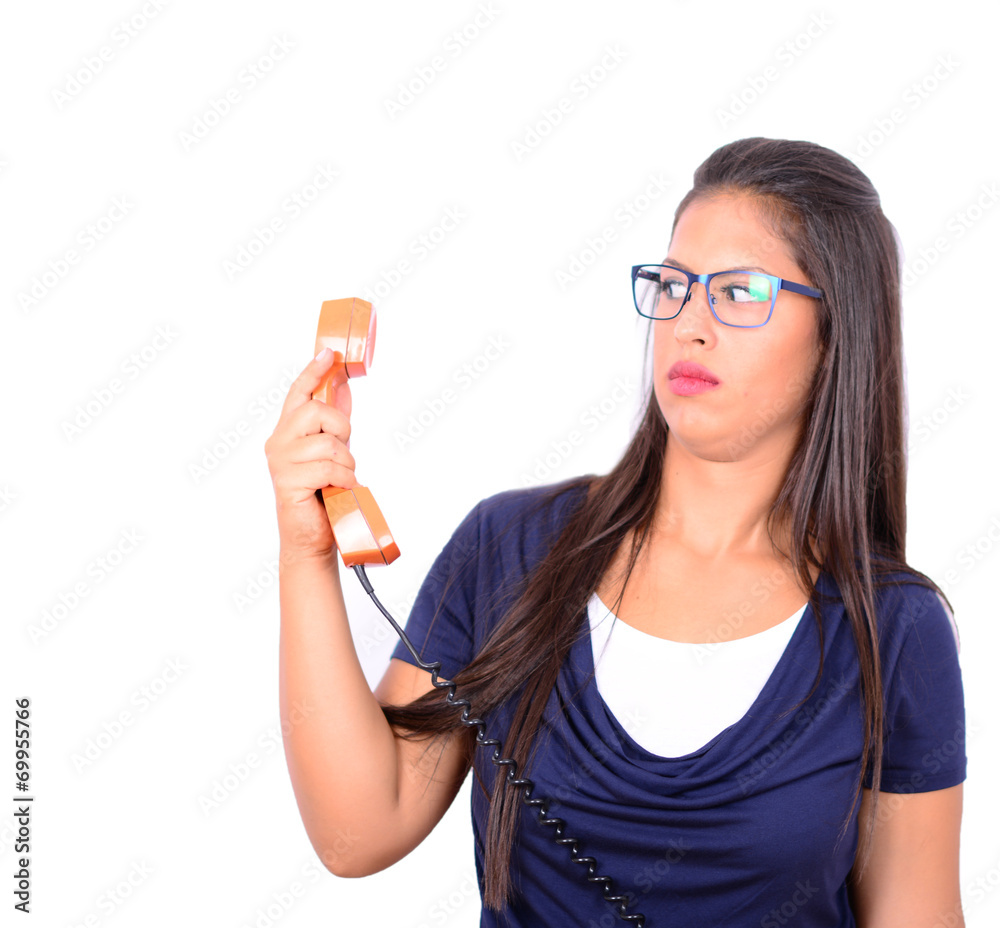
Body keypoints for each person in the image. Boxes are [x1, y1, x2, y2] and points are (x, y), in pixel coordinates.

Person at [264, 136, 967, 927]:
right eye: (674, 285)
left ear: (838, 332)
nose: (690, 325)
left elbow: (916, 914)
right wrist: (306, 554)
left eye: (739, 293)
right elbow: (359, 830)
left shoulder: (895, 629)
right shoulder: (509, 548)